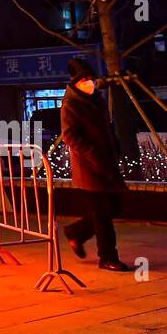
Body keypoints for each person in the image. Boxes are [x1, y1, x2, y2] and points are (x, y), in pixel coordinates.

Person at [60, 58, 131, 272]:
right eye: (85, 80)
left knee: (113, 207)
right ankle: (108, 257)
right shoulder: (71, 105)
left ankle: (77, 232)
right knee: (102, 215)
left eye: (92, 79)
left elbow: (106, 127)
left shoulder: (96, 100)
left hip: (106, 163)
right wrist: (92, 153)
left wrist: (115, 145)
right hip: (89, 167)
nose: (90, 83)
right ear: (76, 82)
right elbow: (70, 136)